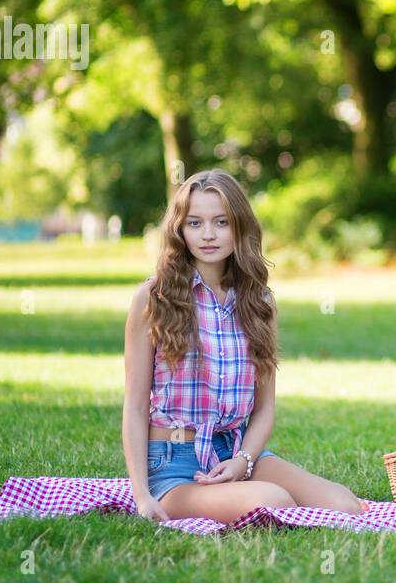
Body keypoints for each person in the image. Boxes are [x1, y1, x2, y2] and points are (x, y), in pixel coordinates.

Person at [122, 168, 367, 524]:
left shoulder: (259, 302)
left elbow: (265, 407)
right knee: (273, 501)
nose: (208, 235)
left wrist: (244, 461)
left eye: (221, 222)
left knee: (345, 505)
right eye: (195, 223)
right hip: (174, 462)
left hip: (235, 453)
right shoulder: (153, 297)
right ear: (179, 229)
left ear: (239, 227)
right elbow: (134, 406)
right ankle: (211, 496)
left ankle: (235, 488)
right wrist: (142, 496)